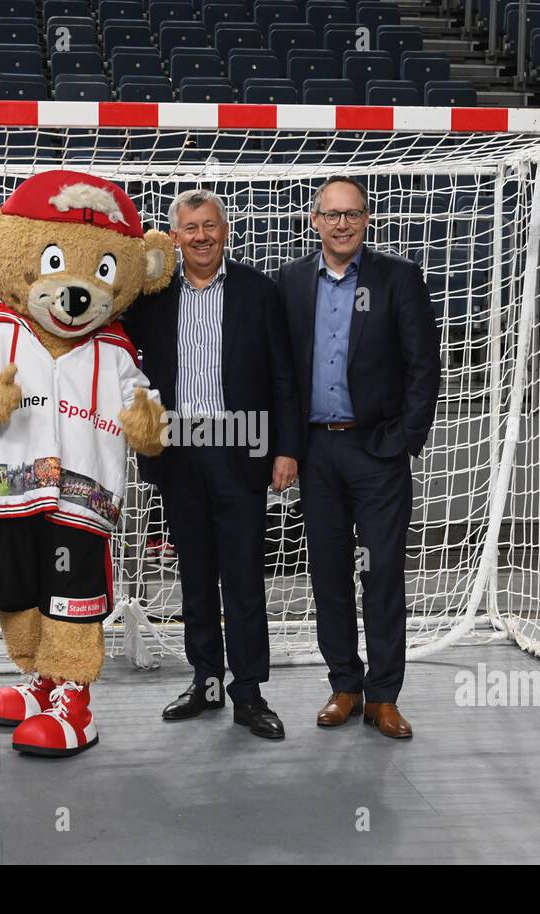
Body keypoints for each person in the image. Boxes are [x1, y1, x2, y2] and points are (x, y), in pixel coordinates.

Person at [125, 189, 301, 740]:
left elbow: (283, 378)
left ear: (225, 231)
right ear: (173, 237)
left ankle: (248, 693)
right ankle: (205, 681)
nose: (200, 237)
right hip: (178, 454)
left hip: (240, 449)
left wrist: (286, 449)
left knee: (243, 577)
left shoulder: (258, 292)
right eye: (189, 228)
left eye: (210, 226)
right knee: (195, 575)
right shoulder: (153, 300)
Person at [276, 175, 441, 739]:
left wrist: (404, 440)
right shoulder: (292, 284)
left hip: (377, 454)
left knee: (382, 574)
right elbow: (283, 377)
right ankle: (344, 685)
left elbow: (425, 368)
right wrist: (287, 447)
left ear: (366, 220)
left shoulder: (399, 279)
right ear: (314, 221)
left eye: (353, 214)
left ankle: (384, 696)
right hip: (316, 455)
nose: (342, 223)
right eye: (332, 214)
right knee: (328, 575)